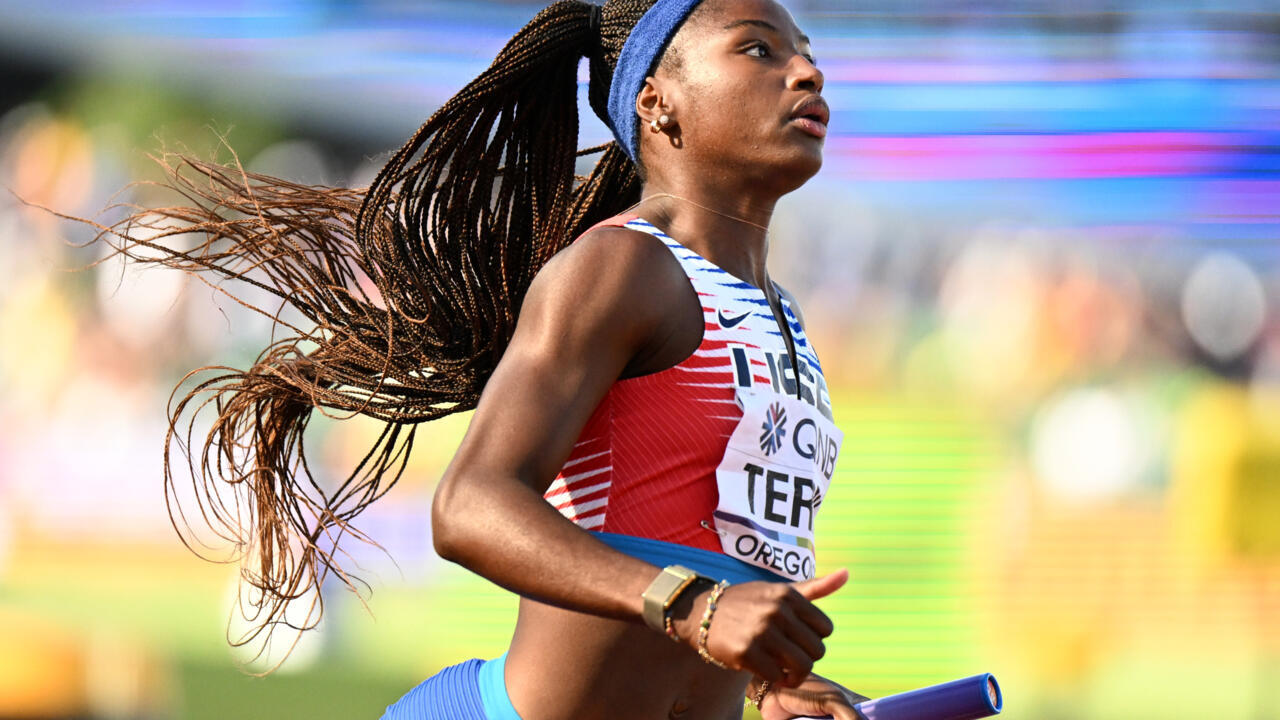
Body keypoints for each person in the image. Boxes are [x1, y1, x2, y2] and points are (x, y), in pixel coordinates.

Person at [80, 0, 866, 717]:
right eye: (759, 50)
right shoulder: (623, 269)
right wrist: (694, 609)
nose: (807, 71)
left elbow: (718, 542)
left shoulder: (786, 319)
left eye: (806, 52)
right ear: (657, 102)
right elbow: (469, 506)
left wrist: (771, 681)